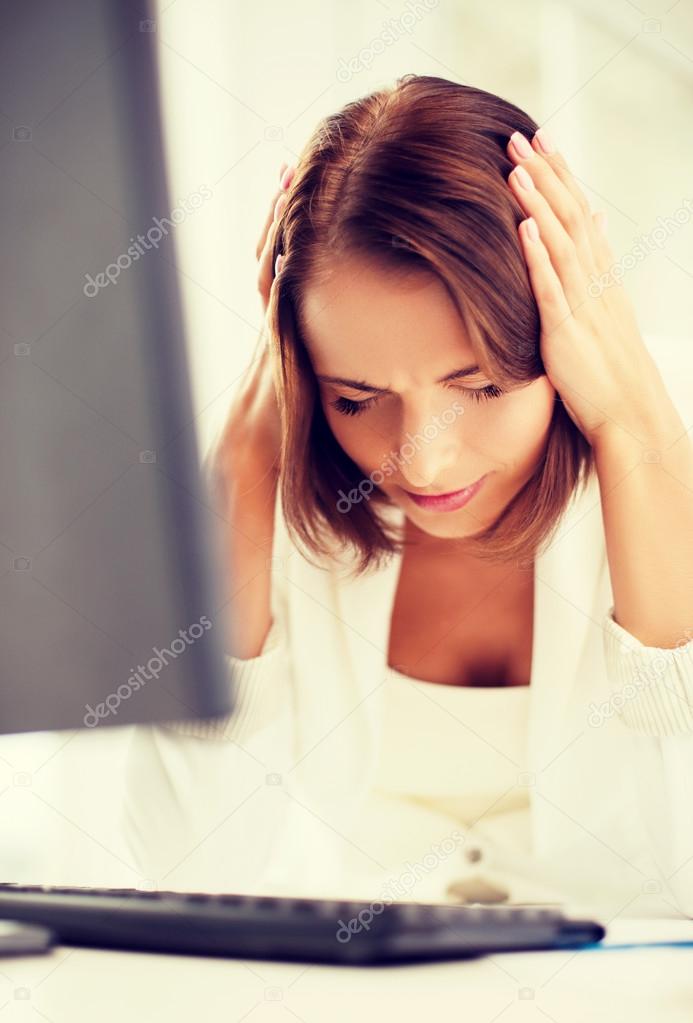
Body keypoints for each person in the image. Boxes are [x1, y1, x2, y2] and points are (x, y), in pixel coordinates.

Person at [121, 75, 693, 917]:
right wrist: (240, 471)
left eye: (483, 387)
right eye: (356, 397)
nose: (421, 464)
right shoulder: (264, 478)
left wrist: (636, 428)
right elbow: (179, 867)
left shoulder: (664, 442)